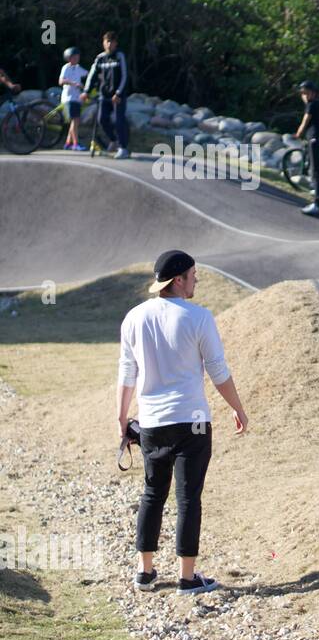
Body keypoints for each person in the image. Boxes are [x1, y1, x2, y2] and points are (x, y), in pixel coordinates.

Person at [117, 250, 249, 594]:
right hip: (192, 423)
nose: (196, 280)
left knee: (151, 494)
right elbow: (218, 370)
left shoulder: (133, 317)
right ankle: (187, 578)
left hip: (152, 422)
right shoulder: (199, 317)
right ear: (178, 280)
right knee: (188, 498)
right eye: (193, 274)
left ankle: (145, 573)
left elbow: (127, 372)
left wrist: (121, 417)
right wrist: (237, 407)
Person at [82, 31, 131, 159]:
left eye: (112, 42)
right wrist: (86, 91)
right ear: (103, 43)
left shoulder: (120, 56)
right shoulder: (99, 58)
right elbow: (92, 76)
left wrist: (118, 93)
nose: (109, 44)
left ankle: (123, 148)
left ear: (116, 43)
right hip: (104, 95)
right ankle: (113, 140)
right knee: (102, 120)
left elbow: (125, 76)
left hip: (118, 96)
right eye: (107, 42)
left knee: (118, 120)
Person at [294, 80, 319, 217]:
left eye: (306, 93)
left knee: (316, 173)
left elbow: (305, 122)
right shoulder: (318, 102)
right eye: (302, 94)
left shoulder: (311, 106)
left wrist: (298, 134)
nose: (304, 96)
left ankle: (316, 204)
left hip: (313, 140)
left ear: (313, 93)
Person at [58, 47, 88, 151]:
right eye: (75, 56)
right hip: (69, 98)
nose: (77, 58)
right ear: (69, 58)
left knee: (75, 121)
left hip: (77, 98)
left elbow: (88, 74)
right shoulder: (66, 67)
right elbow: (61, 81)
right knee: (75, 120)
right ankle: (75, 144)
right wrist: (73, 83)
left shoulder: (78, 68)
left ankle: (67, 143)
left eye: (78, 56)